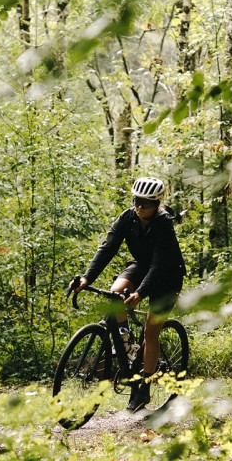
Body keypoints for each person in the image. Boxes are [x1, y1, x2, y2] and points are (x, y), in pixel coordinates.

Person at [70, 176, 187, 412]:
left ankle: (144, 385)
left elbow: (158, 265)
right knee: (115, 293)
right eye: (137, 201)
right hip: (142, 265)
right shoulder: (128, 217)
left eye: (145, 203)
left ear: (156, 205)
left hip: (167, 275)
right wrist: (86, 278)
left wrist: (140, 293)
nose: (139, 206)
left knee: (151, 331)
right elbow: (107, 248)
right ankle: (126, 343)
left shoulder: (163, 223)